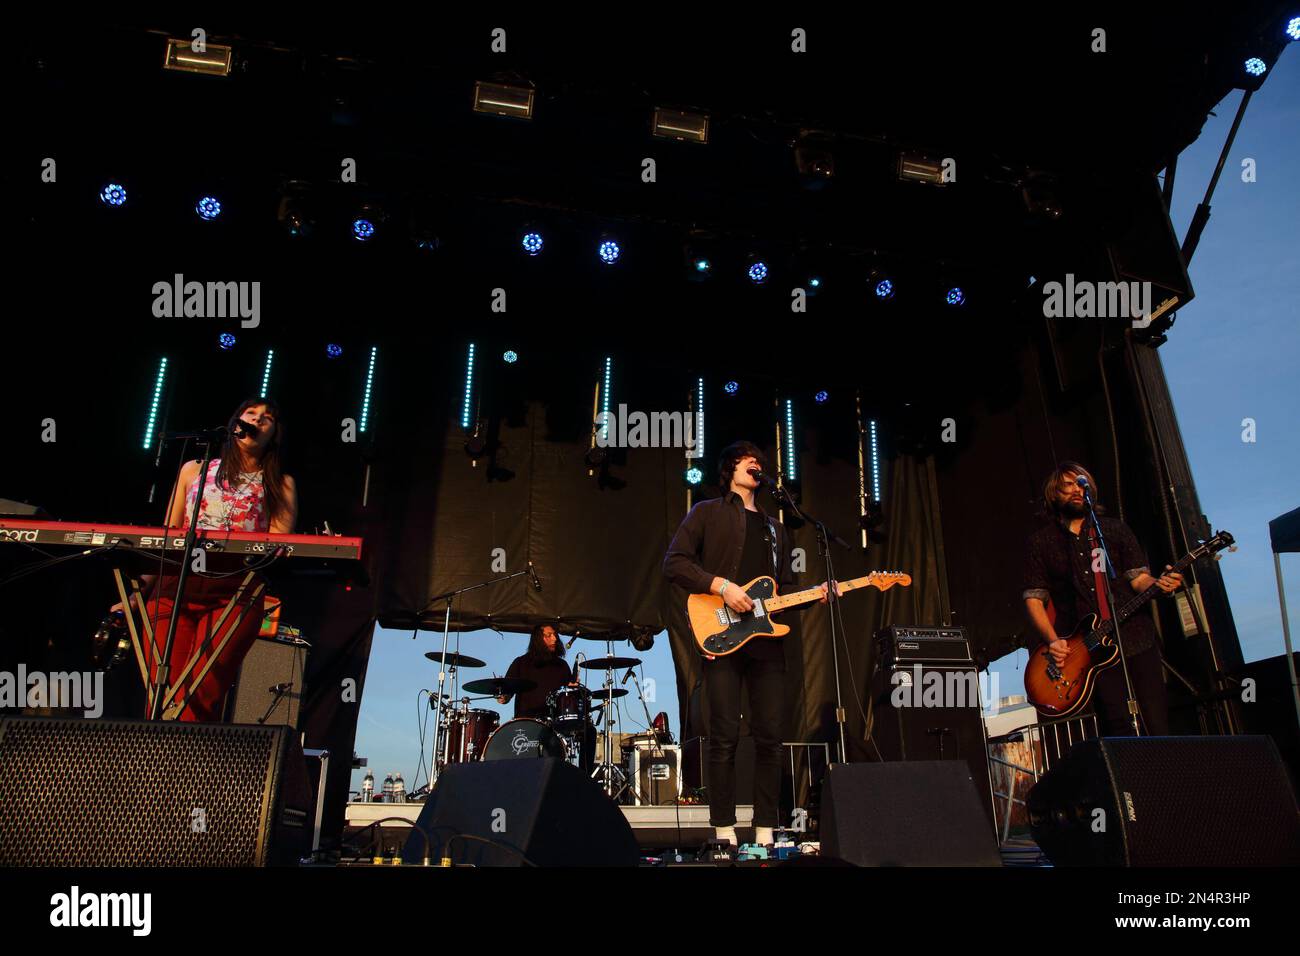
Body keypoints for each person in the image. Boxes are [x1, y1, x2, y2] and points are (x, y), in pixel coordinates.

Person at [663, 440, 826, 849]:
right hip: (722, 635)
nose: (755, 462)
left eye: (758, 459)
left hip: (766, 643)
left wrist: (814, 595)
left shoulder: (777, 529)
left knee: (771, 734)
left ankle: (766, 830)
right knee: (724, 735)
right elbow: (675, 562)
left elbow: (783, 591)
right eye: (745, 458)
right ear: (729, 469)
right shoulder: (707, 512)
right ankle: (722, 831)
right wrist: (721, 585)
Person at [126, 398, 297, 722]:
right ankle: (153, 764)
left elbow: (280, 545)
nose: (257, 420)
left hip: (236, 590)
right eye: (251, 414)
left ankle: (184, 767)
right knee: (161, 690)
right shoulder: (194, 470)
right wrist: (138, 594)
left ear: (274, 435)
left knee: (200, 692)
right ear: (235, 422)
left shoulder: (280, 483)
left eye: (267, 419)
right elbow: (167, 537)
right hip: (175, 585)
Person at [1022, 462, 1182, 735]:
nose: (1076, 490)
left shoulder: (1114, 530)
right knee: (1117, 722)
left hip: (1136, 637)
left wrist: (1161, 584)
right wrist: (1053, 641)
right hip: (1089, 649)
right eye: (1067, 486)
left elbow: (1139, 579)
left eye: (1081, 484)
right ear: (1054, 495)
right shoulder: (1042, 542)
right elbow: (1034, 598)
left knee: (1156, 720)